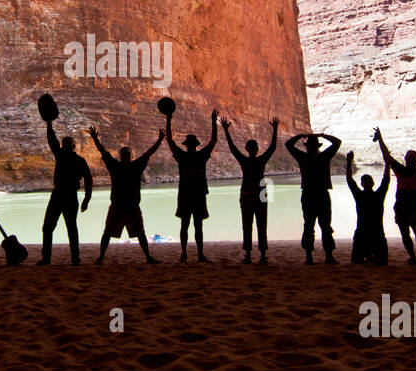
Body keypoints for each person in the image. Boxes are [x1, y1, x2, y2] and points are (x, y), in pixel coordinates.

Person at [89, 125, 164, 265]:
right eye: (125, 154)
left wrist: (95, 138)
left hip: (120, 206)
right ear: (128, 156)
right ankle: (147, 257)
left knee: (110, 233)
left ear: (124, 156)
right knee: (137, 233)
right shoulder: (136, 166)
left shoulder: (115, 166)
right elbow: (149, 153)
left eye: (125, 154)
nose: (125, 156)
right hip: (129, 206)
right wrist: (159, 140)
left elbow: (103, 152)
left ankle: (101, 258)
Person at [374, 128, 416, 267]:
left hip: (408, 206)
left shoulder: (405, 171)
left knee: (411, 233)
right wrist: (380, 139)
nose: (410, 160)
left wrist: (380, 139)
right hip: (409, 206)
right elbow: (387, 156)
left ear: (411, 160)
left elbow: (387, 157)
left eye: (412, 159)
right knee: (413, 232)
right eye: (410, 158)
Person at [222, 116, 279, 264]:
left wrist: (226, 130)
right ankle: (262, 255)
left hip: (246, 195)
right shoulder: (261, 160)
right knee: (262, 225)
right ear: (257, 149)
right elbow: (272, 147)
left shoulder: (244, 160)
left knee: (247, 225)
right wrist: (274, 129)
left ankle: (248, 255)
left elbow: (232, 148)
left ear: (247, 149)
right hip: (261, 194)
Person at [166, 108, 219, 263]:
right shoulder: (201, 156)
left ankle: (185, 254)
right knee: (197, 226)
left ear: (188, 145)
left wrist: (169, 120)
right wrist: (213, 121)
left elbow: (169, 141)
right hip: (197, 196)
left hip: (185, 196)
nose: (190, 146)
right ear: (195, 145)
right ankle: (198, 254)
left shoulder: (182, 156)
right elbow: (213, 141)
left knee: (186, 225)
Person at [39, 116, 92, 266]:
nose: (65, 146)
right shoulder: (78, 161)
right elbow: (88, 180)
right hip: (69, 197)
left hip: (59, 195)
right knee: (70, 228)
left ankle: (47, 258)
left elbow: (52, 140)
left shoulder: (61, 155)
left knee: (49, 227)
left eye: (65, 144)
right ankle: (74, 258)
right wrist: (87, 199)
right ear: (74, 146)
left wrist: (49, 123)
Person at [285, 130, 341, 264]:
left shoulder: (303, 157)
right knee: (325, 225)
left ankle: (310, 256)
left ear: (307, 146)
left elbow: (288, 144)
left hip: (309, 195)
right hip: (321, 194)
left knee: (310, 225)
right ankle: (328, 256)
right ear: (318, 146)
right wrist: (322, 135)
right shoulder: (325, 156)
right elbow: (337, 142)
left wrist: (299, 136)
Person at [345, 150, 390, 265]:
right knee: (381, 260)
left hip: (364, 231)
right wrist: (387, 163)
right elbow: (386, 180)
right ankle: (370, 255)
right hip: (376, 232)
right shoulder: (378, 195)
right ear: (373, 183)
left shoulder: (360, 195)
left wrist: (349, 162)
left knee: (357, 260)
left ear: (362, 184)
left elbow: (349, 180)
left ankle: (368, 255)